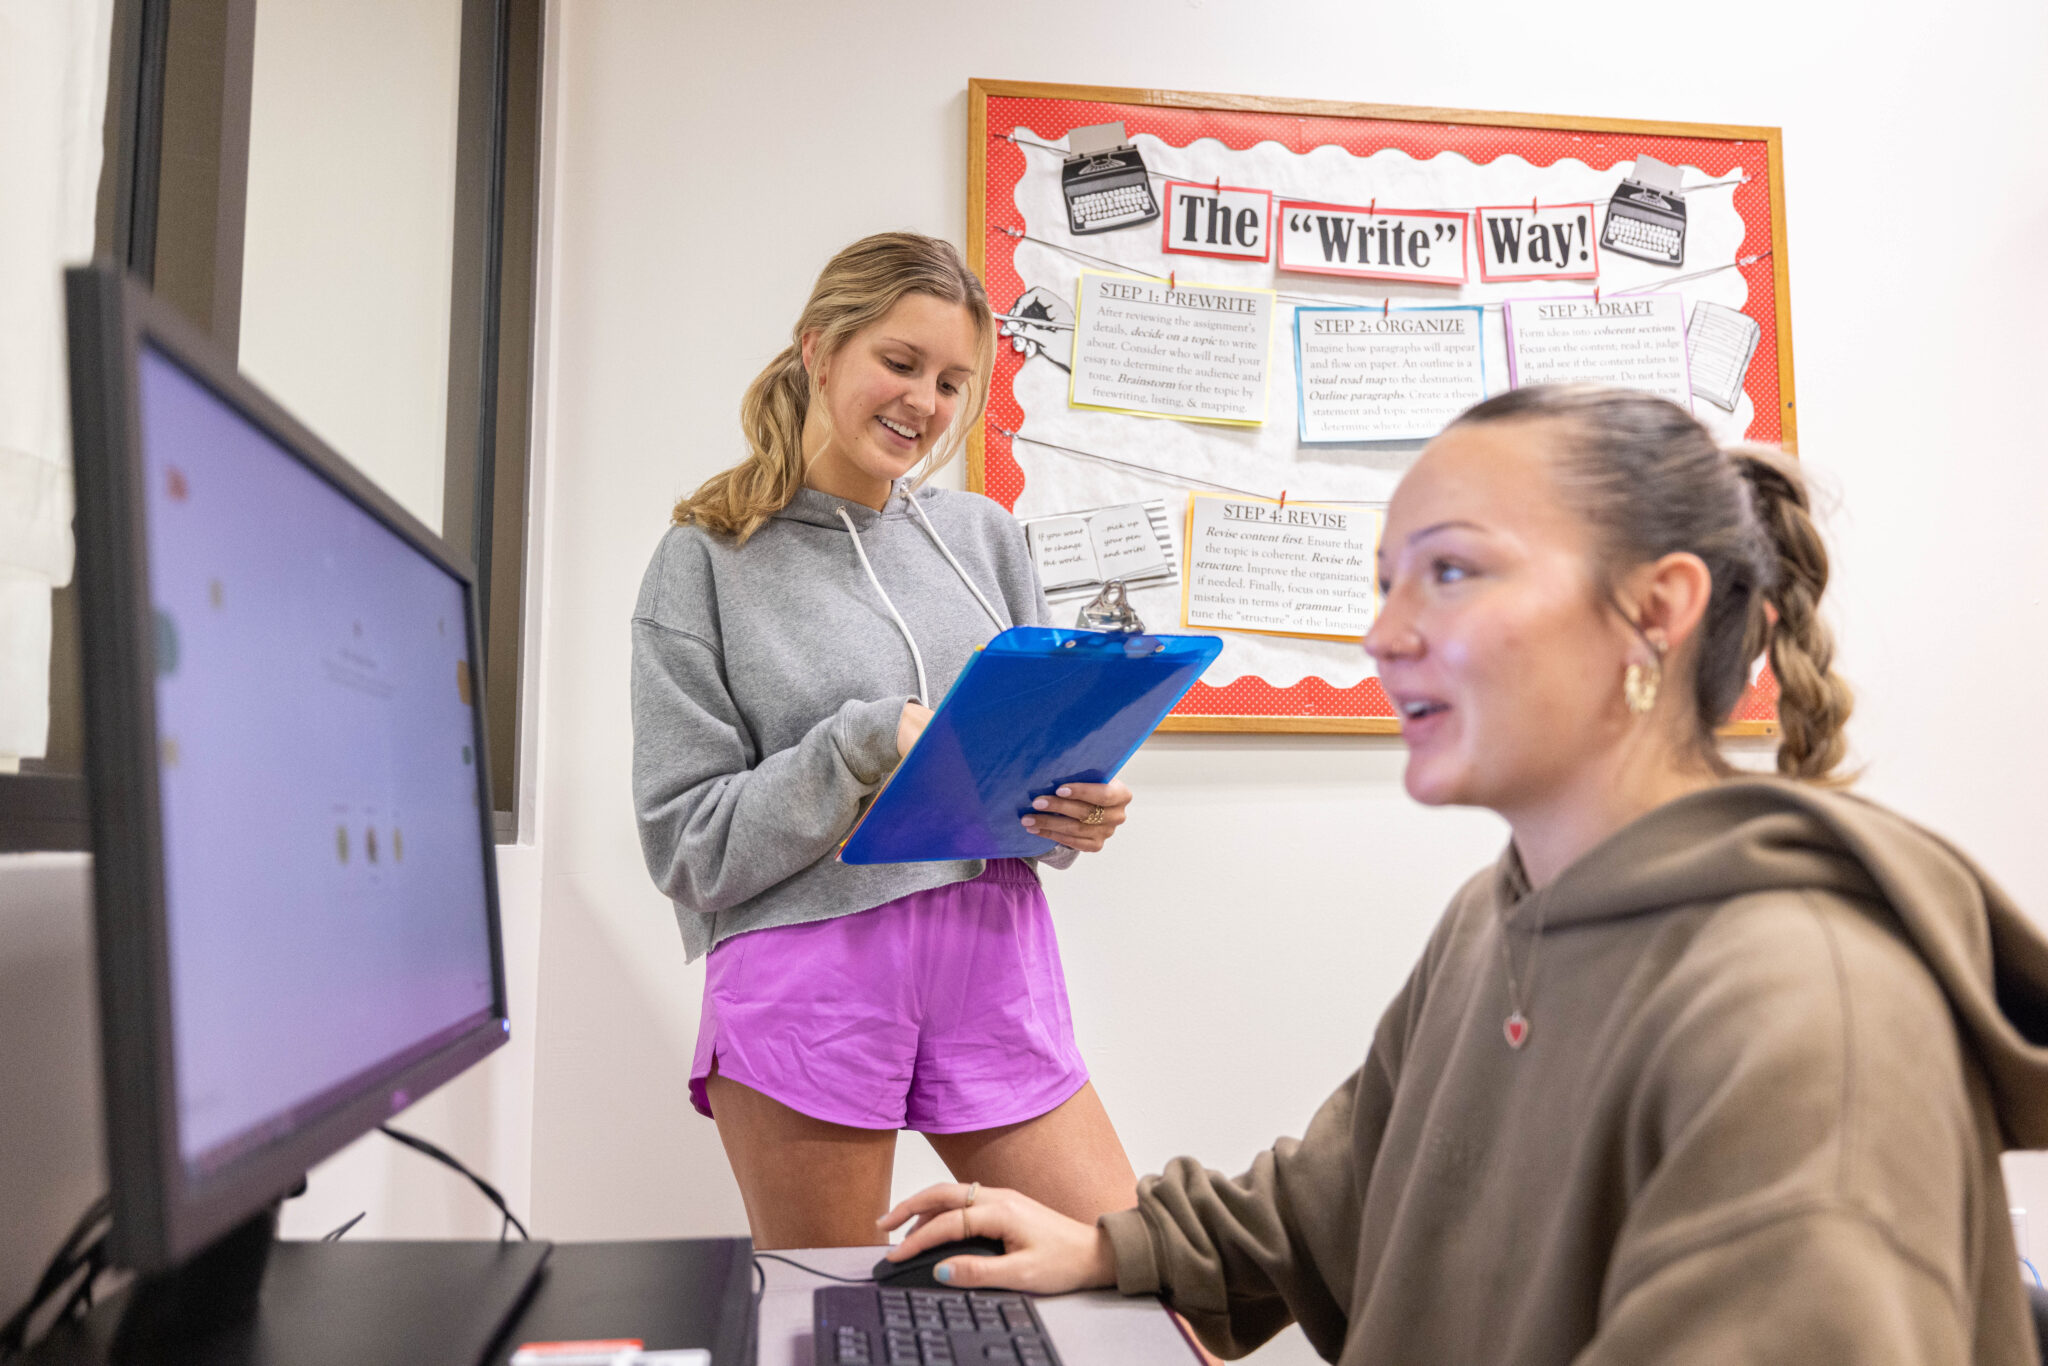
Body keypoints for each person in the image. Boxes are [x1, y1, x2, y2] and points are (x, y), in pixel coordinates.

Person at [879, 386, 2048, 1362]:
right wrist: (1108, 1246)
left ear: (1656, 609)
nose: (1382, 633)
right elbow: (1341, 1191)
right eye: (1387, 580)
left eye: (1448, 572)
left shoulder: (1808, 1014)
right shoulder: (1501, 916)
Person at [631, 232, 1140, 1250]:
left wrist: (1064, 813)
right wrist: (854, 746)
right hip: (806, 973)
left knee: (1134, 1272)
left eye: (952, 381)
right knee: (835, 1320)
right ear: (820, 350)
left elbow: (1016, 782)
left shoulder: (984, 538)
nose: (925, 402)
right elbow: (686, 846)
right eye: (899, 363)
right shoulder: (704, 557)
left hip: (993, 954)